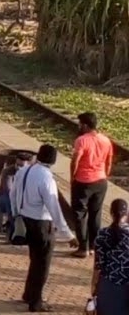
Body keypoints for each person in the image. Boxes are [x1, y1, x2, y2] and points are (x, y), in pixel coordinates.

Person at [12, 144, 77, 312]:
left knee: (34, 259)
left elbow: (13, 193)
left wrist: (16, 212)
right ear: (53, 161)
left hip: (26, 218)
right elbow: (54, 207)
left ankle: (29, 294)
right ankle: (36, 301)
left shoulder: (24, 171)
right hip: (42, 223)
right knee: (42, 263)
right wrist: (68, 234)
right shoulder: (47, 178)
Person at [72, 112, 114, 258]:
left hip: (83, 181)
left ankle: (82, 248)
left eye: (79, 124)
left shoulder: (81, 140)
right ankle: (93, 247)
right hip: (101, 181)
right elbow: (109, 161)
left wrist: (73, 176)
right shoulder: (105, 140)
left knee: (80, 213)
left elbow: (75, 160)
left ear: (84, 125)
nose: (78, 126)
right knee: (96, 214)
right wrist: (105, 175)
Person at [91, 199, 129, 314]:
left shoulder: (102, 234)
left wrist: (94, 287)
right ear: (127, 214)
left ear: (111, 213)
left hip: (107, 284)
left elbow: (98, 265)